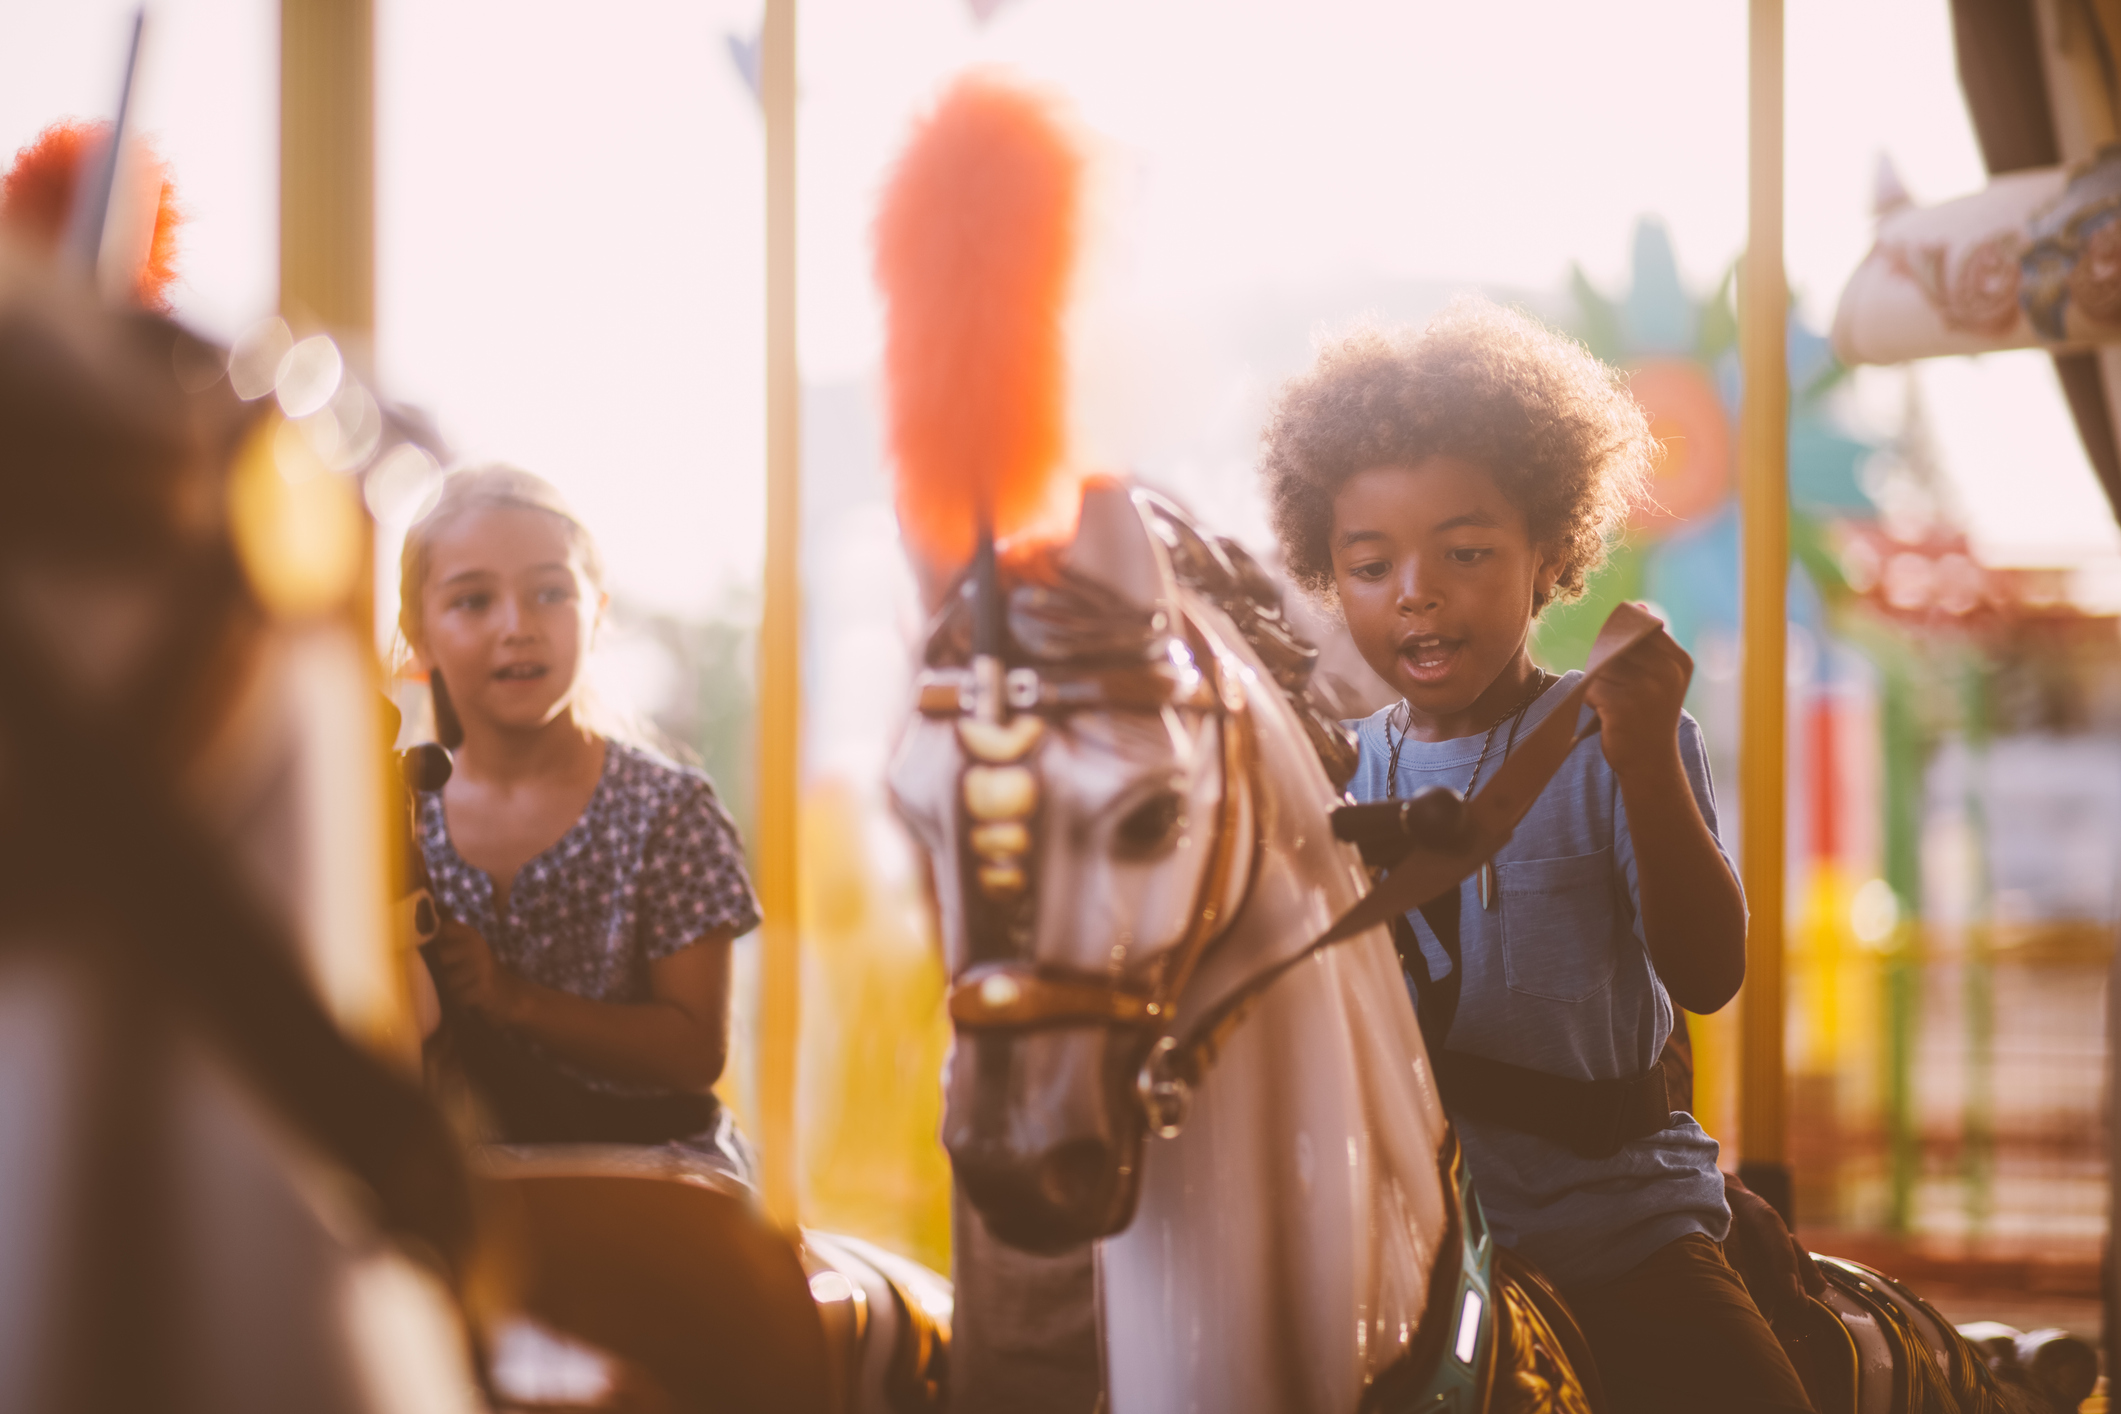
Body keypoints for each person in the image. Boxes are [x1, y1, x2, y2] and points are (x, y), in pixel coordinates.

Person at [1261, 300, 1813, 1414]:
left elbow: (1707, 973)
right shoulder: (1333, 772)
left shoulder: (1615, 738)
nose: (1415, 588)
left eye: (1465, 552)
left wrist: (1649, 758)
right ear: (1329, 573)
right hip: (1403, 1234)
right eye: (1369, 564)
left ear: (1551, 550)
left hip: (1613, 1223)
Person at [399, 465, 760, 1183]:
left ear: (595, 611)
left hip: (651, 1164)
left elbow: (695, 1049)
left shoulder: (666, 812)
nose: (516, 626)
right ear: (421, 634)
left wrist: (513, 999)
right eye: (473, 601)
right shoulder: (400, 817)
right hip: (468, 1165)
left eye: (549, 593)